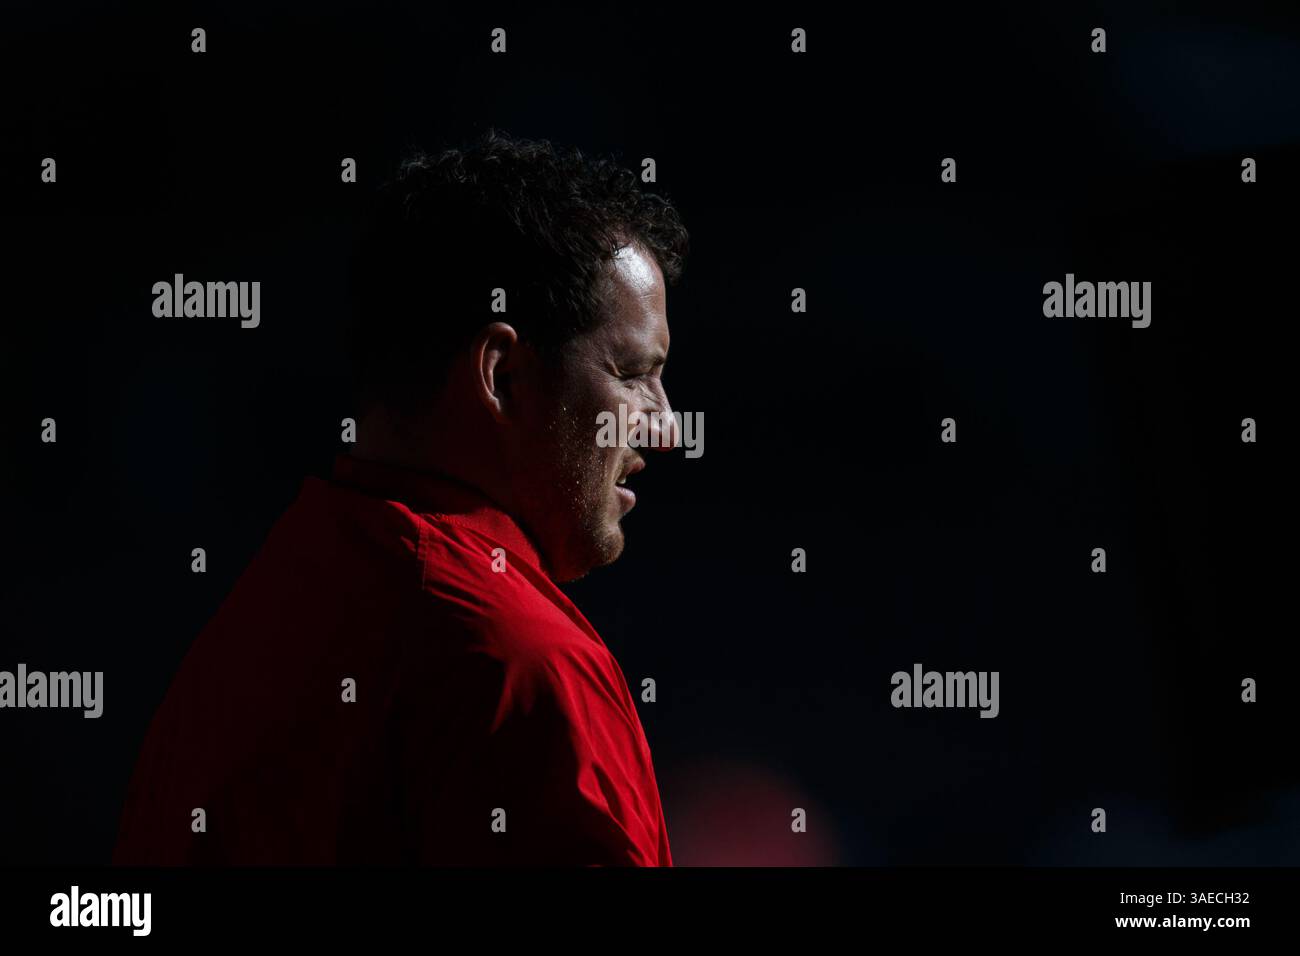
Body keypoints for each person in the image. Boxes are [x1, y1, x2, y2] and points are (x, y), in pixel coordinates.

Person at [113, 129, 689, 865]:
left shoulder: (261, 614)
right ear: (502, 375)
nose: (667, 427)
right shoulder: (519, 665)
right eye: (634, 372)